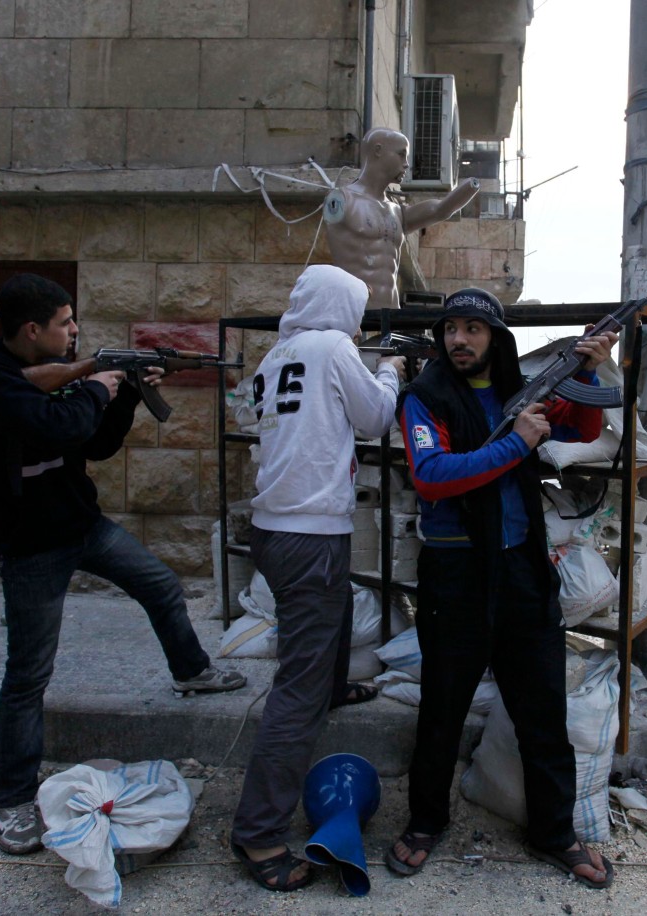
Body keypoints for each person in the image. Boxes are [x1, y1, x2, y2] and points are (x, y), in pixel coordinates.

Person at [0, 273, 245, 856]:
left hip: (81, 525)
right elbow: (58, 424)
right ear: (31, 330)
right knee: (28, 676)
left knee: (161, 585)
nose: (74, 332)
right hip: (32, 547)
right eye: (65, 324)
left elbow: (91, 444)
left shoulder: (60, 374)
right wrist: (97, 381)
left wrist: (126, 397)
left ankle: (192, 672)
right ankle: (13, 800)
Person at [386, 288, 618, 890]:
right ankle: (425, 822)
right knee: (442, 709)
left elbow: (584, 426)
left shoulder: (526, 389)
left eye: (473, 329)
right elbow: (432, 477)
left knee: (543, 710)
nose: (459, 340)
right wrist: (517, 441)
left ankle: (556, 832)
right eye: (450, 330)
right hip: (456, 572)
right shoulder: (423, 398)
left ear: (496, 337)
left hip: (521, 571)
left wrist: (588, 367)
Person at [229, 264, 407, 892]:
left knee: (329, 613)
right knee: (294, 693)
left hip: (274, 530)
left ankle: (331, 687)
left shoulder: (273, 356)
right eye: (356, 309)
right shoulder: (334, 348)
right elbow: (377, 417)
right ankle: (258, 833)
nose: (358, 322)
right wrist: (388, 368)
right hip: (310, 533)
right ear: (340, 307)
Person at [324, 127, 481, 309]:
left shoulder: (396, 211)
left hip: (392, 316)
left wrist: (471, 186)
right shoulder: (342, 199)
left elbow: (440, 210)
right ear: (378, 151)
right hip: (354, 314)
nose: (406, 164)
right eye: (401, 154)